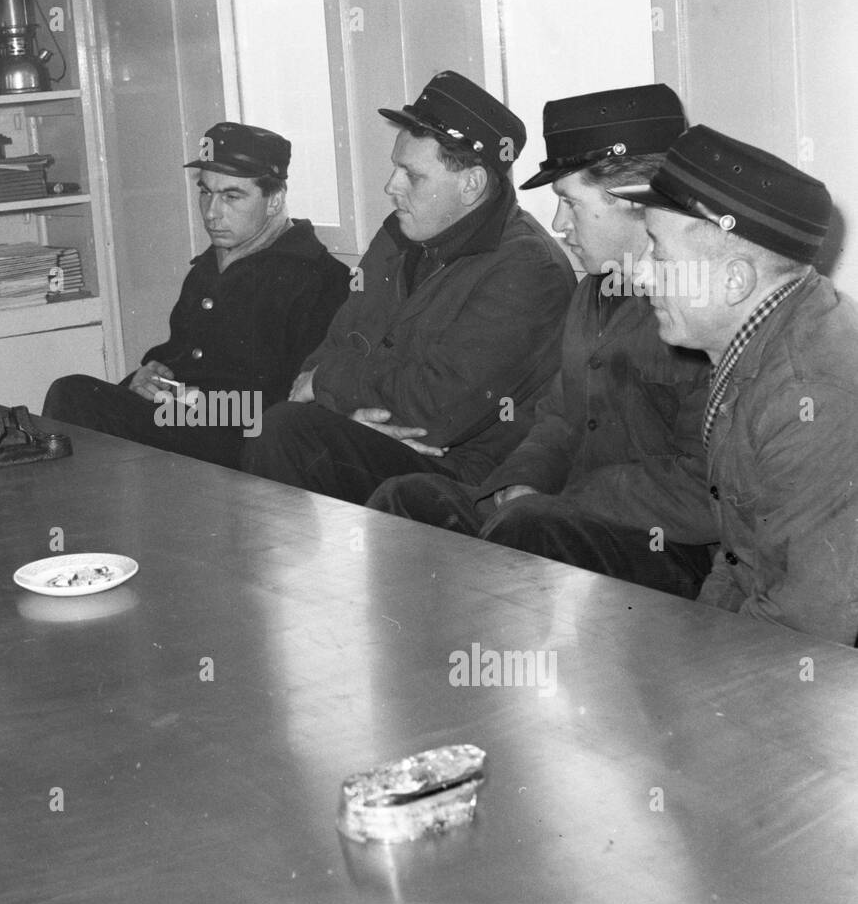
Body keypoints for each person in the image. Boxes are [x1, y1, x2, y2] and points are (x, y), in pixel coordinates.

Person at [368, 85, 718, 597]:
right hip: (570, 514)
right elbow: (558, 420)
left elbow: (704, 486)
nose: (557, 225)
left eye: (570, 204)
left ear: (635, 202)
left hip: (668, 547)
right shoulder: (590, 298)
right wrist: (518, 483)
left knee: (526, 527)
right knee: (409, 498)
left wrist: (562, 499)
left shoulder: (701, 313)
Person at [240, 71, 575, 503]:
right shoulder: (398, 236)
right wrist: (348, 410)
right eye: (395, 167)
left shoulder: (528, 268)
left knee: (284, 433)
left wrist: (330, 384)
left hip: (455, 466)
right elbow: (329, 349)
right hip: (384, 440)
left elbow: (438, 408)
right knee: (281, 427)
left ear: (471, 184)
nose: (390, 187)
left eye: (411, 175)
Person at [610, 125, 858, 645]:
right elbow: (741, 559)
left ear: (734, 281)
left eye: (659, 254)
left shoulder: (807, 395)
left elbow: (807, 628)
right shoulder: (759, 342)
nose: (641, 277)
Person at [41, 122, 349, 468]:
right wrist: (141, 379)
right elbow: (179, 355)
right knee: (73, 397)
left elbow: (295, 407)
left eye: (231, 196)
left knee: (74, 399)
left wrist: (193, 402)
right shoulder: (211, 266)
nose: (212, 212)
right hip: (182, 420)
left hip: (238, 442)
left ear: (275, 200)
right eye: (206, 192)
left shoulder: (318, 281)